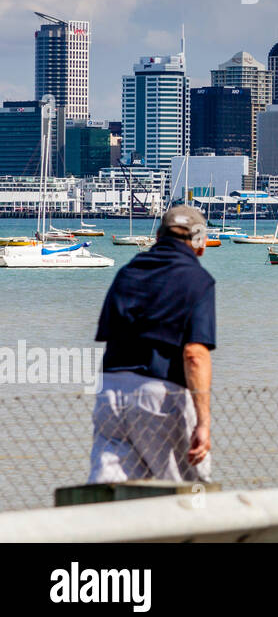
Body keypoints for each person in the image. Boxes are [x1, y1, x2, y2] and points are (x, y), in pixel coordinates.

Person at [89, 205, 216, 483]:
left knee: (109, 493)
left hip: (110, 393)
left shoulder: (126, 273)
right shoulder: (198, 280)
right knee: (188, 490)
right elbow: (195, 355)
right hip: (159, 393)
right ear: (200, 242)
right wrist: (204, 423)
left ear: (158, 237)